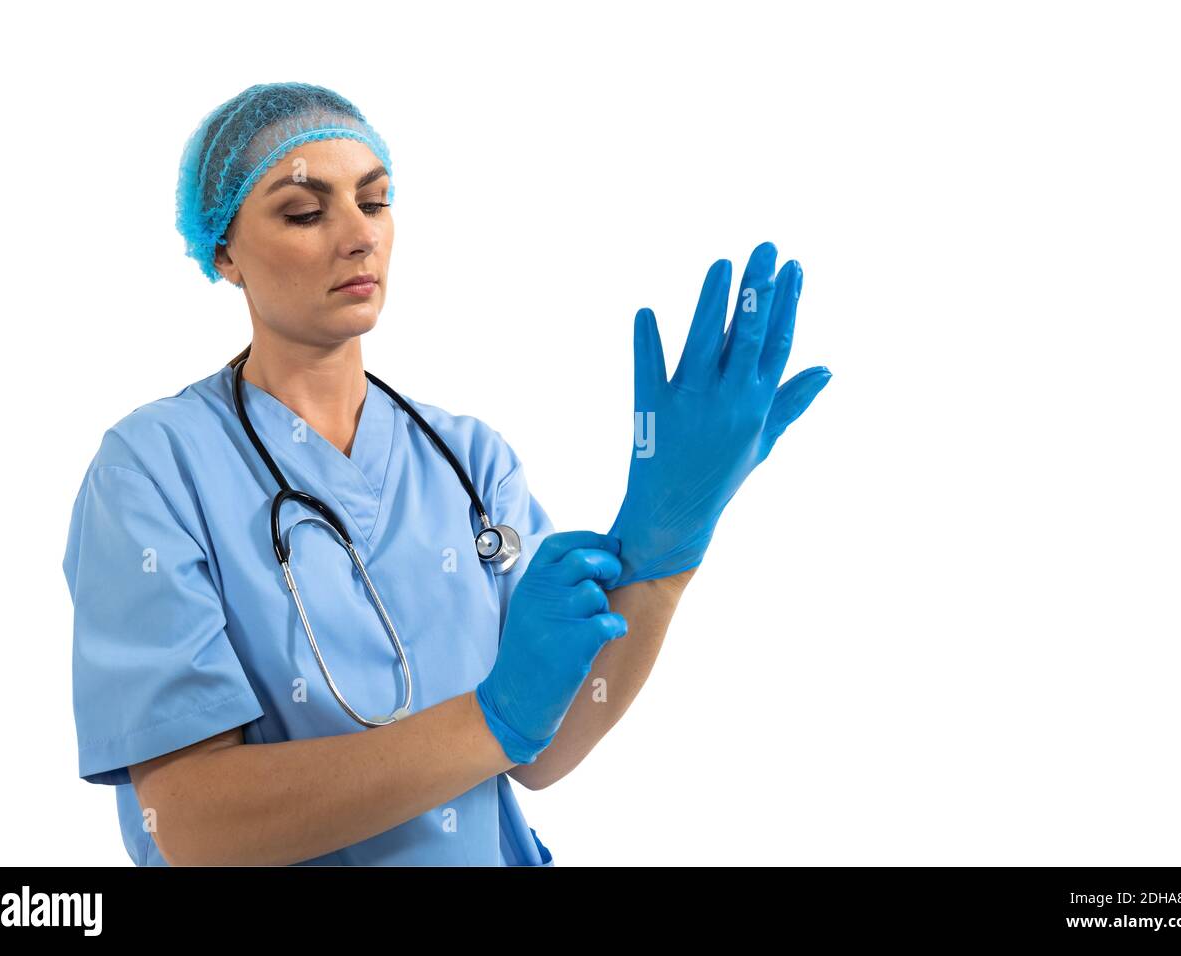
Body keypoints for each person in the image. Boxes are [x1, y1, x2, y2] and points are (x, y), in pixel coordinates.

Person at [62, 81, 832, 867]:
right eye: (305, 211)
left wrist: (667, 551)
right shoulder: (152, 470)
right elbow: (193, 825)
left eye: (376, 201)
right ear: (223, 250)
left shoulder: (468, 458)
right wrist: (489, 720)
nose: (358, 236)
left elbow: (544, 750)